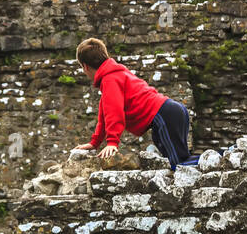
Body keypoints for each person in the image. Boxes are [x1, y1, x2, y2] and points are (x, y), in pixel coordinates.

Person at [71, 37, 200, 169]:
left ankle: (220, 157)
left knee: (178, 165)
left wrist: (112, 142)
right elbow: (105, 114)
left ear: (85, 67)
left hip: (165, 116)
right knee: (177, 161)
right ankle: (214, 159)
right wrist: (95, 142)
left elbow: (114, 112)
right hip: (170, 112)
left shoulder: (109, 79)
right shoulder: (113, 75)